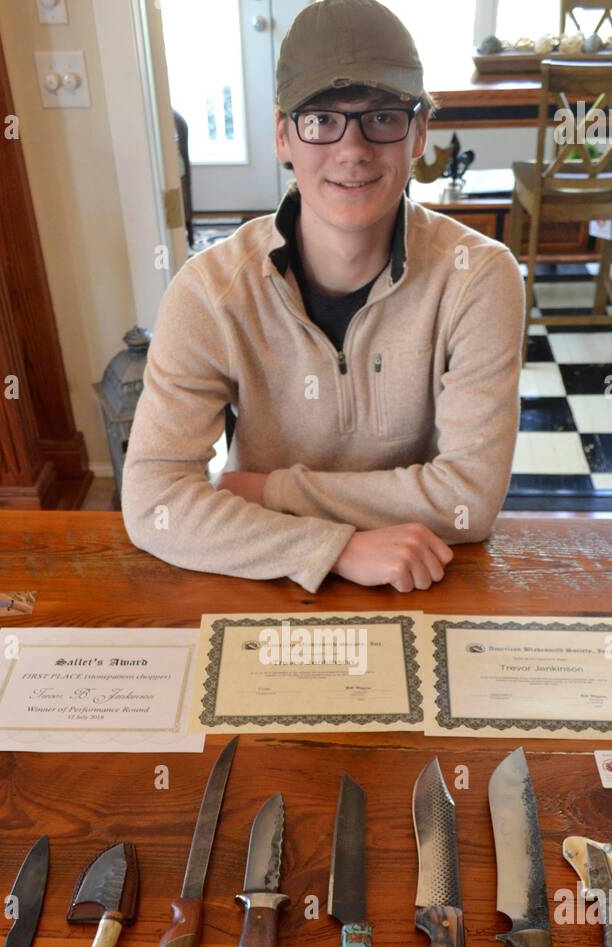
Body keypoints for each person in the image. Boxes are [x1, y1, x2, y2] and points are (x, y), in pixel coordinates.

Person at [122, 0, 524, 594]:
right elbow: (154, 501)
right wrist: (338, 550)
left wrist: (271, 490)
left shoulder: (481, 277)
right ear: (284, 135)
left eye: (382, 117)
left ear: (419, 133)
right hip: (264, 576)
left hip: (426, 574)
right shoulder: (209, 292)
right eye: (322, 119)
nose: (353, 148)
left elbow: (467, 500)